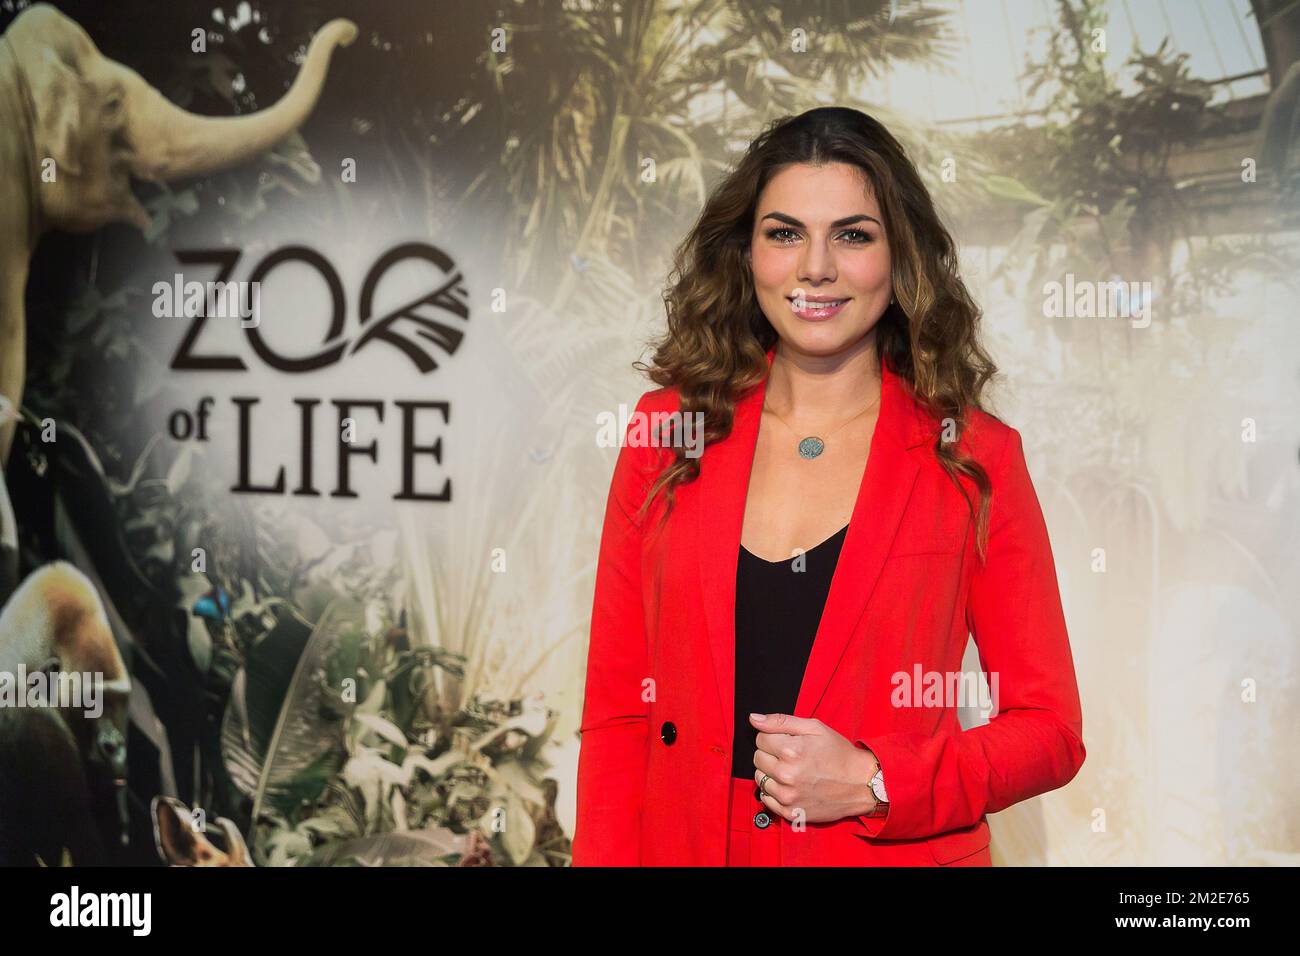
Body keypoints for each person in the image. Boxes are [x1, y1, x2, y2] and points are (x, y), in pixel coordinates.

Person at [573, 106, 1085, 867]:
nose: (816, 267)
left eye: (853, 234)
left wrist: (878, 779)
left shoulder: (974, 457)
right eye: (784, 233)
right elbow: (619, 714)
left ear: (899, 256)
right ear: (745, 254)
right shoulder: (666, 435)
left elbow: (1050, 730)